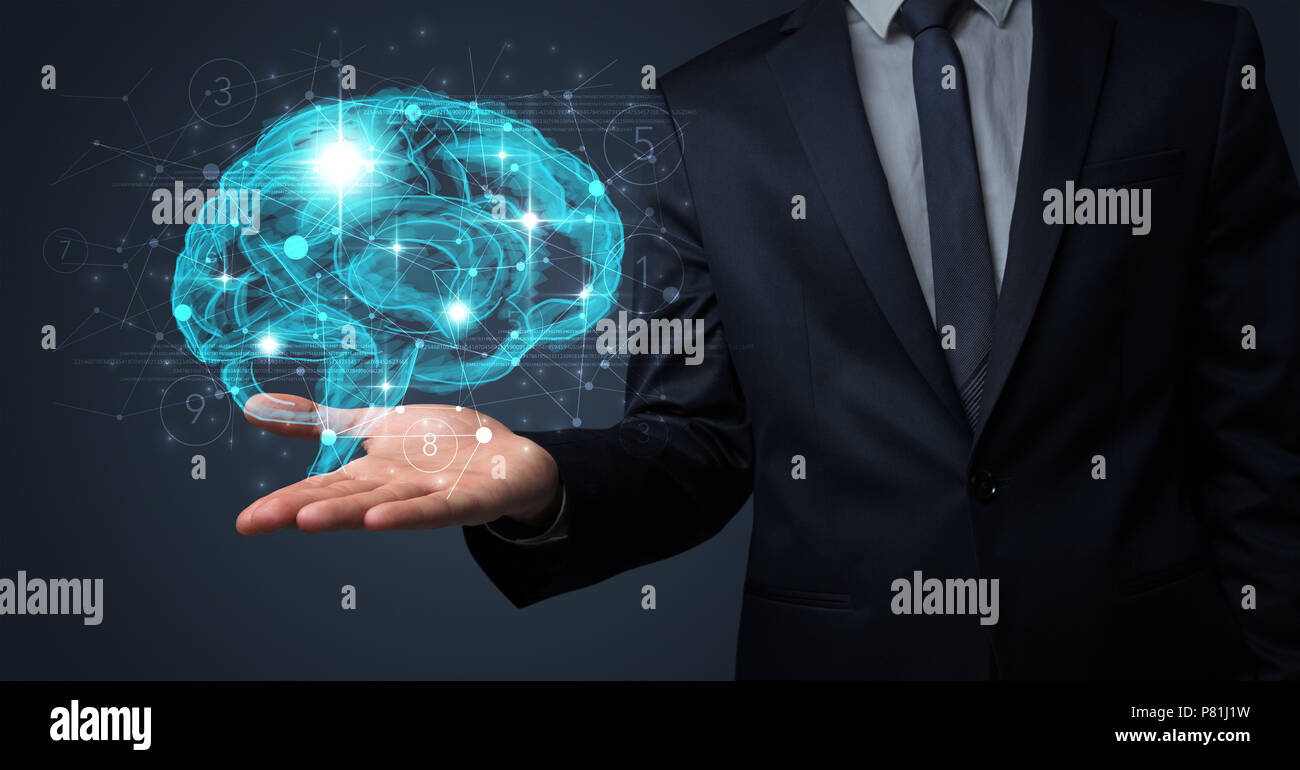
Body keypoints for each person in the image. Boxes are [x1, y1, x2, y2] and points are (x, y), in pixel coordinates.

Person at [236, 0, 1300, 679]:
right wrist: (547, 484)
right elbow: (696, 438)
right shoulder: (710, 108)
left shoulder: (1190, 60)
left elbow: (1266, 422)